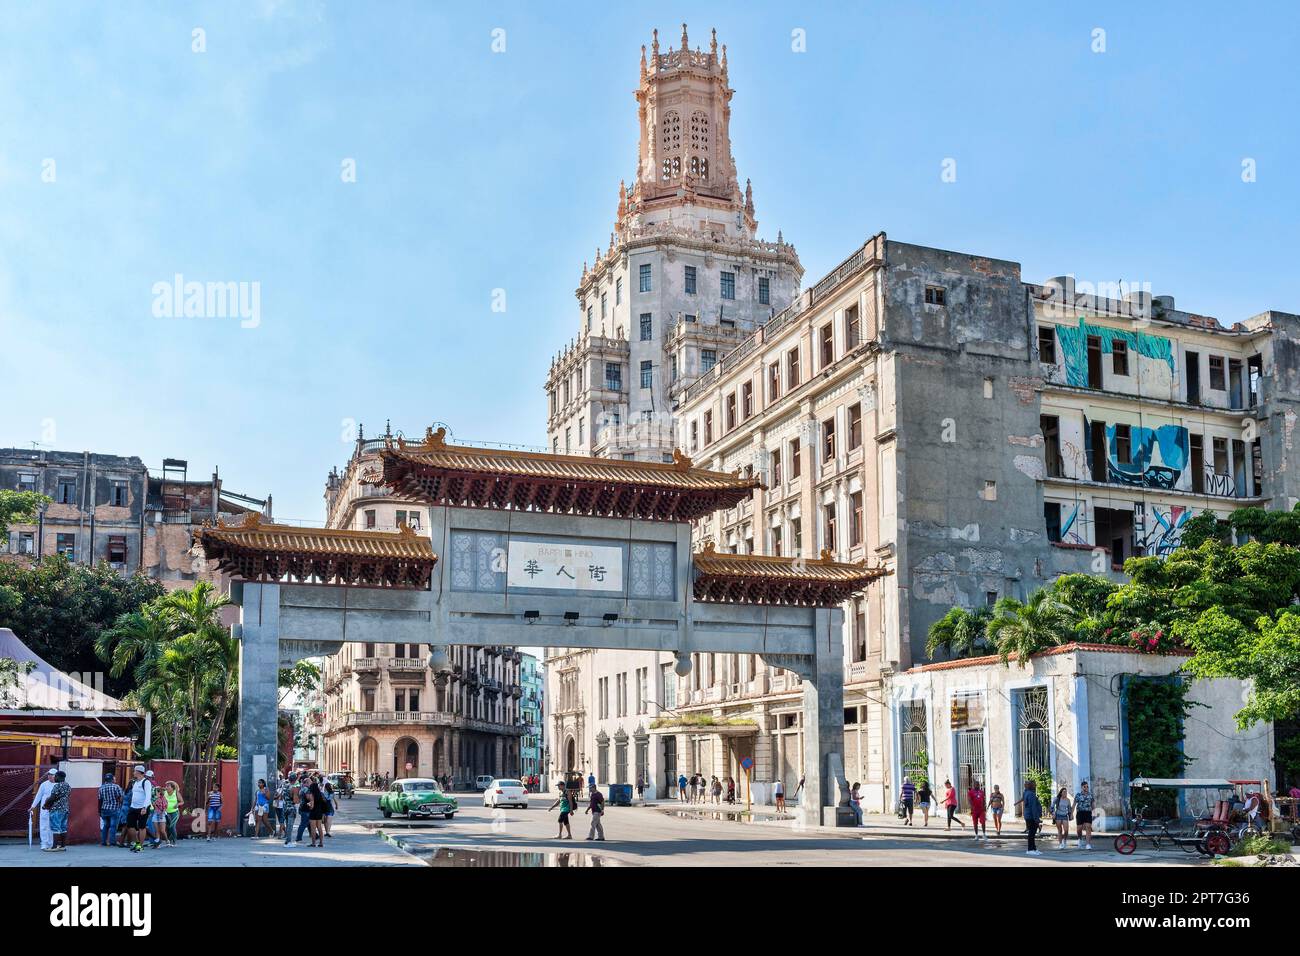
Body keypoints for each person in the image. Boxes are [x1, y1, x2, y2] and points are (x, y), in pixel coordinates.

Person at [125, 765, 155, 852]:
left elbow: (148, 796)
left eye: (134, 771)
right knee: (130, 825)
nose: (133, 772)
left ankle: (140, 846)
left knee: (142, 827)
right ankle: (137, 843)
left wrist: (144, 807)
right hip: (133, 807)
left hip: (143, 807)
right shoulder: (135, 782)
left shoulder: (146, 782)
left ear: (138, 772)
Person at [44, 770, 72, 852]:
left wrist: (45, 805)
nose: (54, 777)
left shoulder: (57, 786)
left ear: (59, 777)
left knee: (55, 827)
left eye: (55, 776)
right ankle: (62, 846)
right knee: (63, 828)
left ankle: (54, 847)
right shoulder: (68, 786)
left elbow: (52, 798)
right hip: (65, 809)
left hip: (56, 809)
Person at [30, 767, 57, 850]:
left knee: (52, 827)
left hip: (55, 809)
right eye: (49, 774)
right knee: (44, 826)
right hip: (44, 809)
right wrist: (33, 806)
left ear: (56, 776)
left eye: (52, 775)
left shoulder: (59, 785)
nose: (50, 776)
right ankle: (44, 843)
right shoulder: (44, 784)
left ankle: (51, 843)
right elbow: (38, 796)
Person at [1016, 779, 1044, 856]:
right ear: (1030, 786)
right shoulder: (1031, 794)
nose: (1035, 785)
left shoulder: (1027, 792)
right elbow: (1033, 807)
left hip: (1028, 815)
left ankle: (1034, 848)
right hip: (1031, 816)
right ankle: (1030, 849)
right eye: (1033, 784)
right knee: (1032, 833)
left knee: (1032, 833)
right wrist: (1036, 819)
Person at [97, 772, 125, 847]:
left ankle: (103, 842)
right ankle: (112, 842)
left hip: (104, 809)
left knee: (106, 826)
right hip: (114, 809)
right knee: (113, 826)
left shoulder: (101, 788)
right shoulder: (116, 787)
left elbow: (100, 800)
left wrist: (99, 810)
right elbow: (121, 798)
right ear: (112, 779)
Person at [1073, 780, 1094, 850]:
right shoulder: (1078, 795)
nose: (1086, 788)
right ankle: (1080, 839)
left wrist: (1094, 813)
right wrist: (1071, 814)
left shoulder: (1090, 795)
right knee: (1079, 828)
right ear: (1081, 787)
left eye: (1087, 787)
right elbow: (1074, 805)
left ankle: (1088, 844)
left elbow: (1093, 805)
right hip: (1080, 813)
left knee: (1088, 827)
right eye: (1084, 787)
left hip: (1088, 813)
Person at [162, 780, 183, 847]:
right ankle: (169, 842)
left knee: (172, 826)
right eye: (166, 786)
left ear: (172, 788)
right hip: (166, 813)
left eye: (168, 786)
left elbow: (182, 802)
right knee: (168, 827)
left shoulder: (176, 793)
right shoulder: (164, 793)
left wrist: (178, 804)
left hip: (175, 812)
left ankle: (174, 841)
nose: (166, 787)